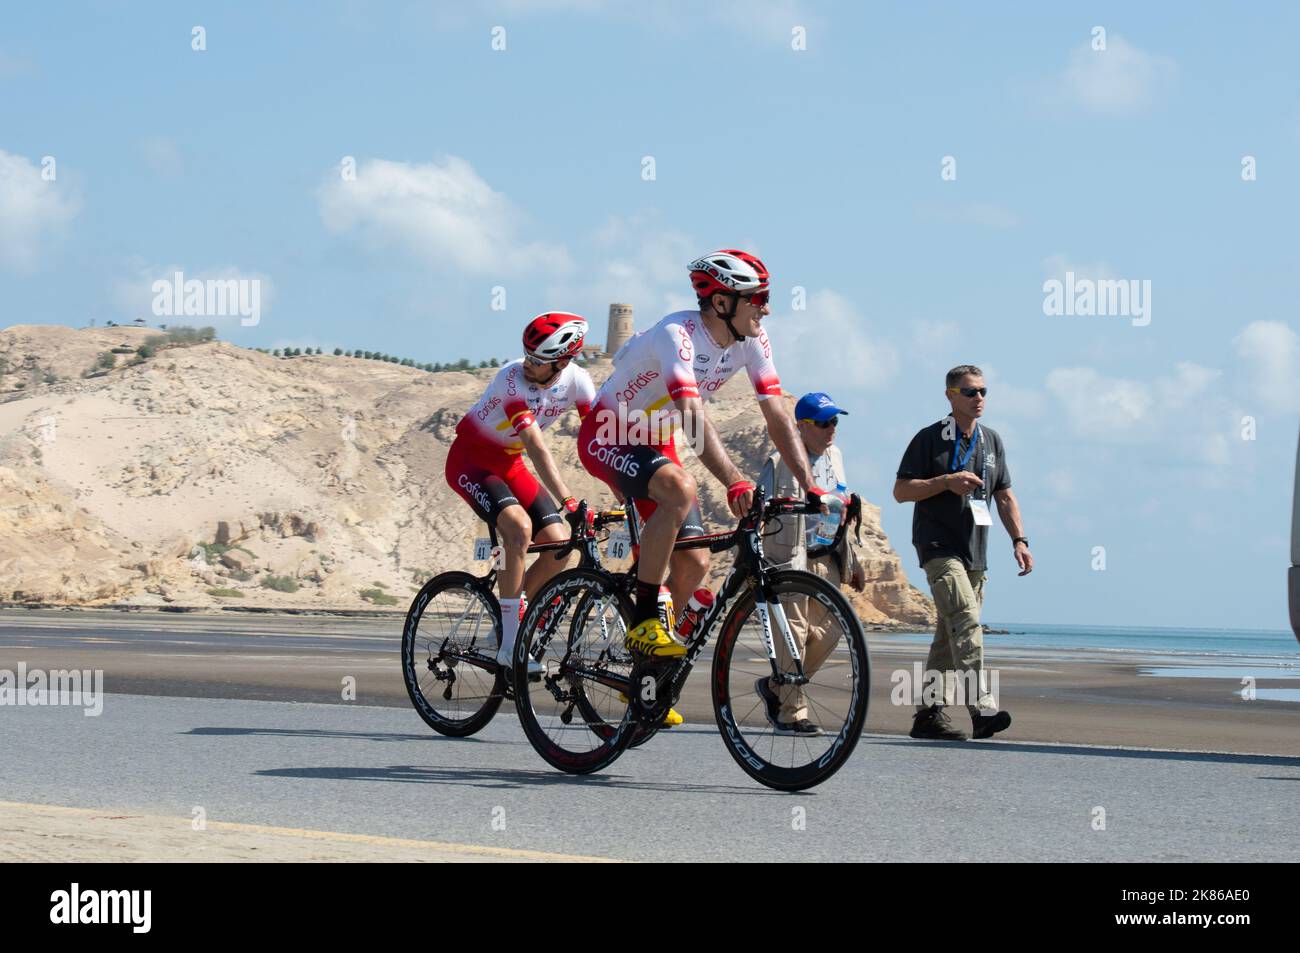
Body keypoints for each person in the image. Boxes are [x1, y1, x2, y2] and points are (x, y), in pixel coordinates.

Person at [579, 249, 826, 658]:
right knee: (679, 488)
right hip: (608, 436)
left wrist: (809, 485)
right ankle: (643, 622)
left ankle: (646, 679)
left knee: (694, 564)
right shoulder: (677, 335)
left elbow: (777, 414)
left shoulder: (752, 339)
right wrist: (734, 481)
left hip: (657, 442)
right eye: (757, 299)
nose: (765, 309)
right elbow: (692, 417)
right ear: (722, 302)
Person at [445, 313, 593, 677]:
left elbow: (598, 435)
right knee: (518, 528)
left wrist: (624, 492)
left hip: (508, 465)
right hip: (470, 462)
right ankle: (510, 645)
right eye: (527, 356)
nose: (528, 365)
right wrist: (568, 498)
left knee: (561, 543)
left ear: (562, 362)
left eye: (537, 362)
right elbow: (537, 448)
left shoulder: (578, 381)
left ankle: (513, 612)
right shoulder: (510, 379)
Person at [893, 365, 1032, 740]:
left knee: (949, 631)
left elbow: (1004, 494)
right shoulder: (929, 438)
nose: (979, 399)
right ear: (951, 395)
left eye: (983, 391)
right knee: (967, 620)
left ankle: (928, 716)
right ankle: (981, 708)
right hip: (938, 546)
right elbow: (901, 491)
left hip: (977, 552)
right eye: (970, 392)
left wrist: (1020, 540)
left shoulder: (992, 441)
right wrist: (945, 482)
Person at [756, 391, 866, 734]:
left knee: (832, 631)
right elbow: (757, 515)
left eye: (834, 421)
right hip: (788, 560)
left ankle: (776, 686)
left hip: (827, 559)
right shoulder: (778, 462)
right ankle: (792, 713)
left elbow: (842, 510)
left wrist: (854, 562)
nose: (831, 428)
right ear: (801, 427)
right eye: (823, 422)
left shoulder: (836, 456)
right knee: (795, 634)